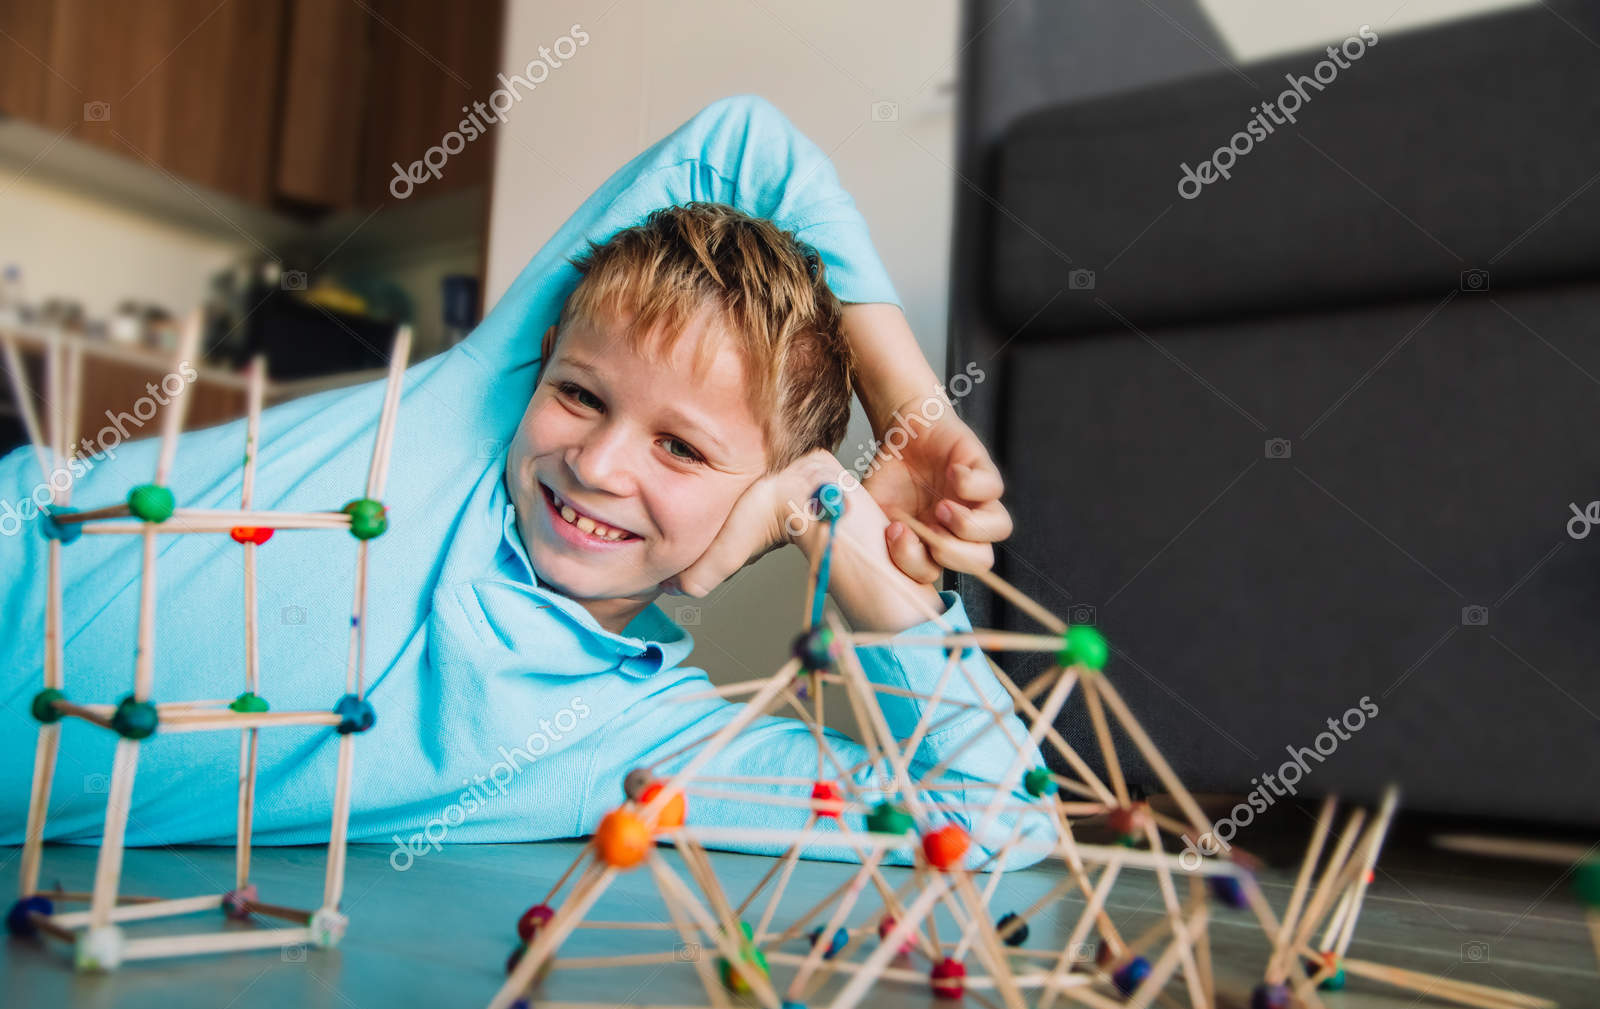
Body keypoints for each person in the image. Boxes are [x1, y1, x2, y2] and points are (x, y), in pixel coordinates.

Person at [0, 96, 1049, 868]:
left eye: (681, 449)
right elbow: (750, 146)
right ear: (536, 362)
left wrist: (836, 524)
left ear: (762, 495)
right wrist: (913, 412)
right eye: (581, 396)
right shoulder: (463, 419)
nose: (594, 464)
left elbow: (996, 812)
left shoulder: (627, 738)